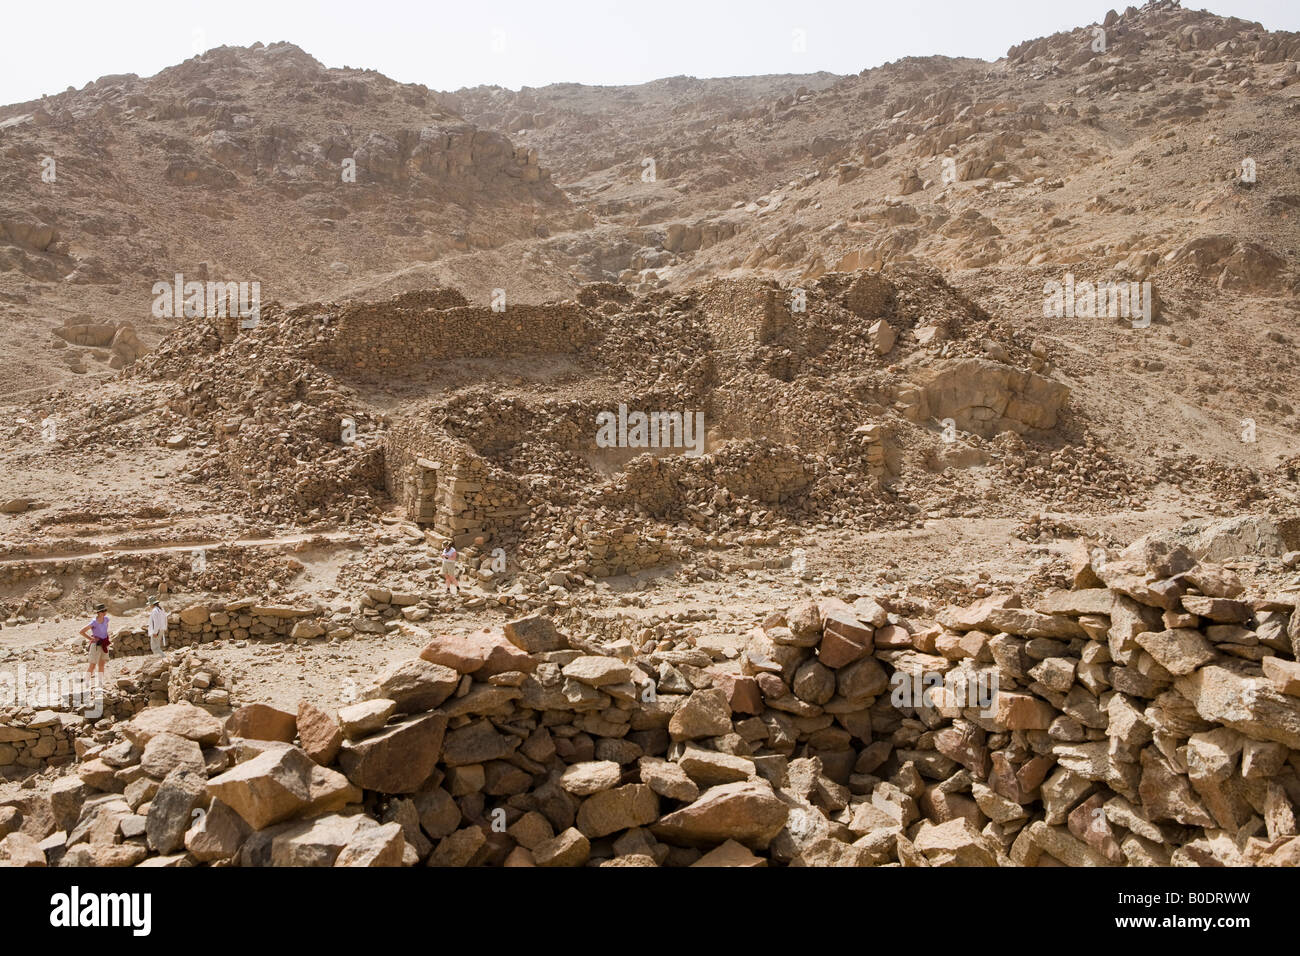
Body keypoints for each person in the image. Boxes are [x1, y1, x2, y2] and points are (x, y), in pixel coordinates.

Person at [80, 603, 111, 687]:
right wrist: (91, 639)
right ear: (98, 612)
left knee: (102, 664)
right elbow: (82, 631)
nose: (105, 612)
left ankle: (100, 682)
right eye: (103, 611)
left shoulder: (106, 619)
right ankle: (86, 682)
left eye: (105, 610)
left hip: (104, 643)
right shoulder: (94, 622)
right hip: (96, 645)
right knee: (92, 665)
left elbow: (106, 629)